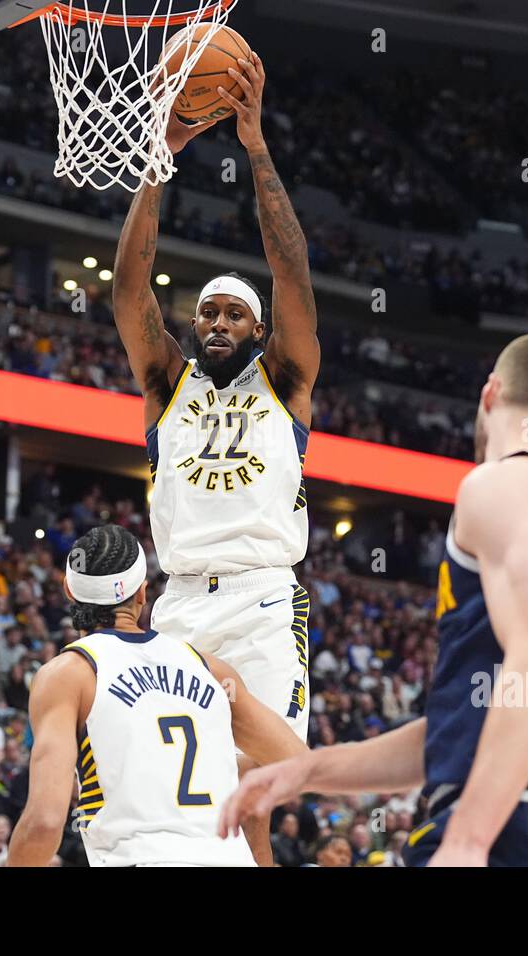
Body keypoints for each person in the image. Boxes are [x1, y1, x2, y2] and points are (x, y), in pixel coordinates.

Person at [221, 333, 528, 867]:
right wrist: (308, 771)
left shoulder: (503, 484)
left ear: (490, 393)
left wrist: (467, 841)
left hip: (510, 827)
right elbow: (457, 732)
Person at [110, 51, 322, 866]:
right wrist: (157, 158)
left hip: (265, 599)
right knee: (180, 793)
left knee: (265, 783)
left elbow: (292, 270)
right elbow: (130, 290)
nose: (221, 323)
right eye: (210, 314)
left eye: (236, 314)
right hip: (180, 605)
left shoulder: (288, 379)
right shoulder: (168, 382)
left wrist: (256, 146)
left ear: (260, 330)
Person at [5, 525, 306, 866]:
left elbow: (44, 822)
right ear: (142, 593)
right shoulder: (211, 669)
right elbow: (296, 761)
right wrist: (216, 764)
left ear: (69, 592)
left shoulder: (68, 675)